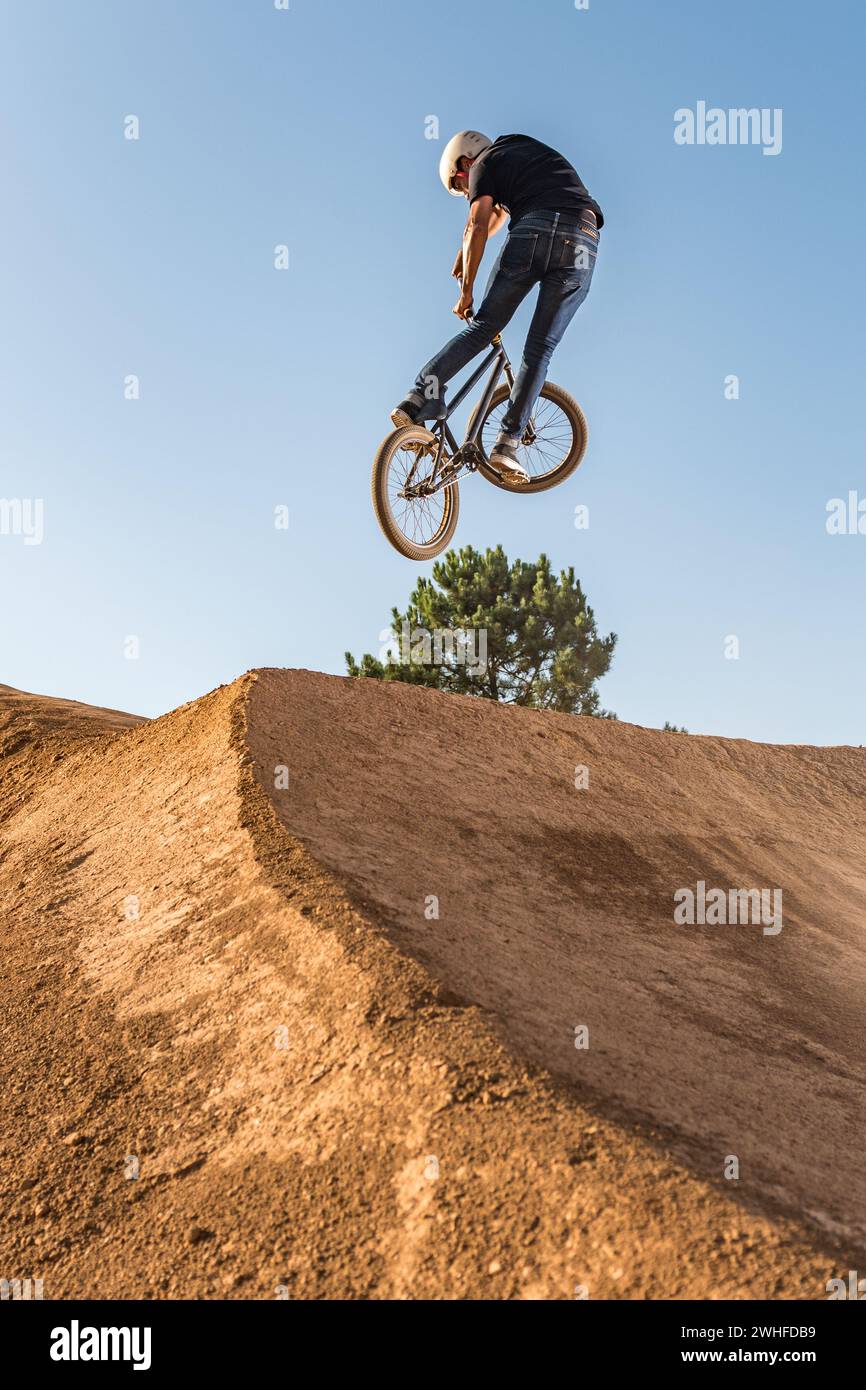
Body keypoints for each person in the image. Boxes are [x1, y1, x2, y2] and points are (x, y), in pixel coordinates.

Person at [391, 131, 603, 485]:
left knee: (483, 326)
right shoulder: (523, 153)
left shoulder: (482, 165)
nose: (466, 192)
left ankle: (417, 398)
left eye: (461, 187)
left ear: (464, 162)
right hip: (582, 237)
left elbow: (478, 222)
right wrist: (464, 250)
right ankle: (507, 444)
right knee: (540, 350)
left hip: (533, 232)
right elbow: (494, 218)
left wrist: (467, 291)